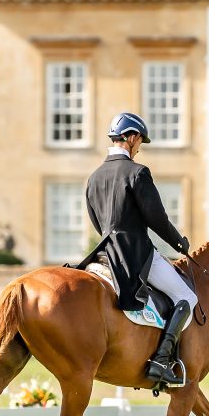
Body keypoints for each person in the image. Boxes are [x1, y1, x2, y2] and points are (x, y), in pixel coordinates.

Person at [84, 112, 194, 388]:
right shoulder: (137, 172)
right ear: (131, 138)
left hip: (105, 253)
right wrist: (180, 243)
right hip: (136, 253)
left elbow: (97, 221)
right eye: (139, 142)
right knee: (186, 296)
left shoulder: (94, 177)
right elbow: (157, 219)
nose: (139, 147)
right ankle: (160, 361)